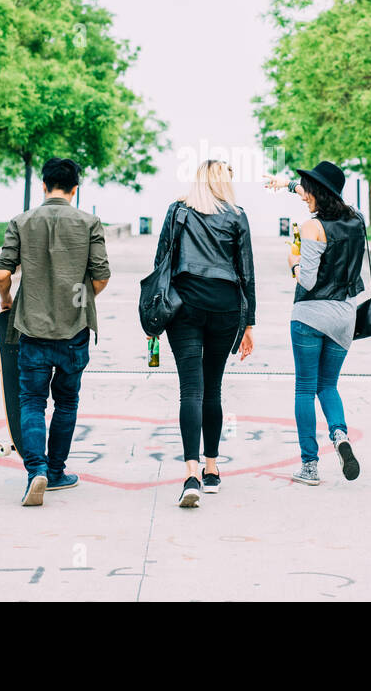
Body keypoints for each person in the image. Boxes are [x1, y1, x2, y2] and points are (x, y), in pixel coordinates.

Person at [0, 158, 110, 507]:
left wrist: (7, 300)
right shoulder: (89, 222)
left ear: (43, 186)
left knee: (31, 400)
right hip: (74, 330)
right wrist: (79, 299)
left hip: (31, 327)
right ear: (75, 188)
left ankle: (36, 471)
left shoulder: (21, 221)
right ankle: (57, 471)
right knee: (67, 400)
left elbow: (3, 274)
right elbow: (101, 276)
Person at [155, 159, 256, 508]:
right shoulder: (236, 215)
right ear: (223, 182)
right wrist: (249, 324)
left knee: (191, 391)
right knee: (213, 388)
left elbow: (160, 265)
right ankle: (213, 470)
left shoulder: (178, 212)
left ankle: (191, 475)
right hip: (226, 309)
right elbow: (247, 273)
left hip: (184, 308)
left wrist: (154, 317)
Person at [265, 161, 364, 486]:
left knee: (305, 389)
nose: (302, 193)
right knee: (329, 385)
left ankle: (310, 465)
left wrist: (293, 263)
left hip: (310, 315)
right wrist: (284, 185)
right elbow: (309, 193)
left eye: (306, 188)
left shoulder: (312, 228)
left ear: (318, 192)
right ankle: (339, 435)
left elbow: (307, 280)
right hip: (344, 316)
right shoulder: (357, 221)